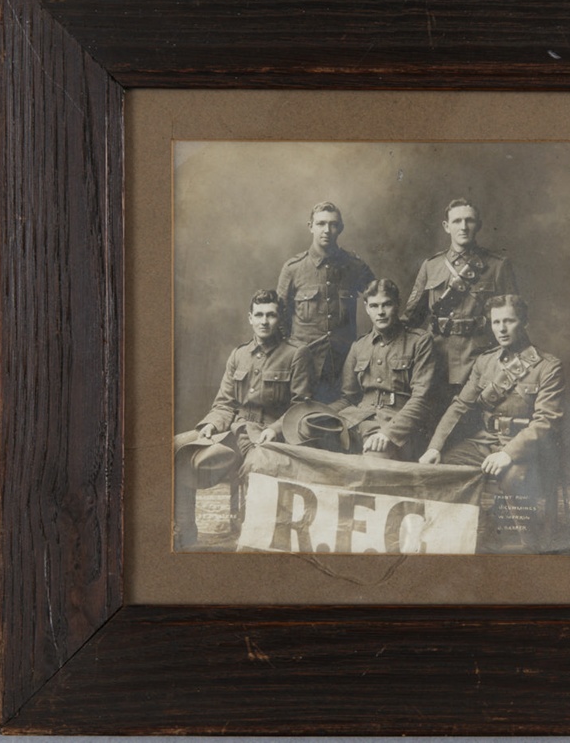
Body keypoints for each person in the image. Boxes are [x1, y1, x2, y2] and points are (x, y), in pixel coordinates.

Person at [419, 294, 563, 553]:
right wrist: (434, 447)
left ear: (524, 323)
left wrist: (508, 453)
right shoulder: (485, 362)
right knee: (446, 468)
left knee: (512, 476)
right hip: (486, 442)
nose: (502, 329)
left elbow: (546, 421)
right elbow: (460, 406)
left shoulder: (548, 367)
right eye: (496, 322)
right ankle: (476, 532)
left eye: (509, 321)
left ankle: (532, 546)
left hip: (527, 449)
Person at [174, 289, 314, 549]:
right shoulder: (239, 354)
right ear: (250, 318)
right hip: (234, 432)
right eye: (259, 315)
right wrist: (210, 425)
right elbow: (224, 403)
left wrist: (275, 429)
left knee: (255, 467)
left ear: (280, 318)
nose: (264, 321)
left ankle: (250, 542)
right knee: (177, 447)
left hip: (267, 437)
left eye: (271, 315)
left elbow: (301, 407)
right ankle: (184, 534)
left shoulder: (296, 354)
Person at [402, 198, 519, 408]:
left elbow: (514, 317)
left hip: (479, 358)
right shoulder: (431, 266)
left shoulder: (497, 266)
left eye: (469, 221)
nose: (463, 227)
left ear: (478, 225)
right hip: (436, 358)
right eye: (457, 221)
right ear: (446, 226)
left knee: (472, 417)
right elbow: (411, 317)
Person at [277, 201, 375, 402]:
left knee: (343, 415)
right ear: (310, 226)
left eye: (333, 224)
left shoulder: (354, 266)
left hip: (345, 364)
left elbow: (380, 301)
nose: (327, 230)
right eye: (321, 224)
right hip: (304, 365)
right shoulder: (293, 269)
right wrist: (291, 356)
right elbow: (279, 318)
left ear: (341, 228)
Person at [329, 279, 436, 461]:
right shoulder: (359, 346)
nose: (380, 312)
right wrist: (318, 412)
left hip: (397, 428)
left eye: (386, 304)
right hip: (358, 421)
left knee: (374, 459)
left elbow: (421, 399)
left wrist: (388, 433)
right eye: (374, 306)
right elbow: (348, 398)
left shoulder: (419, 342)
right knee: (309, 436)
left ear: (397, 305)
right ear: (366, 307)